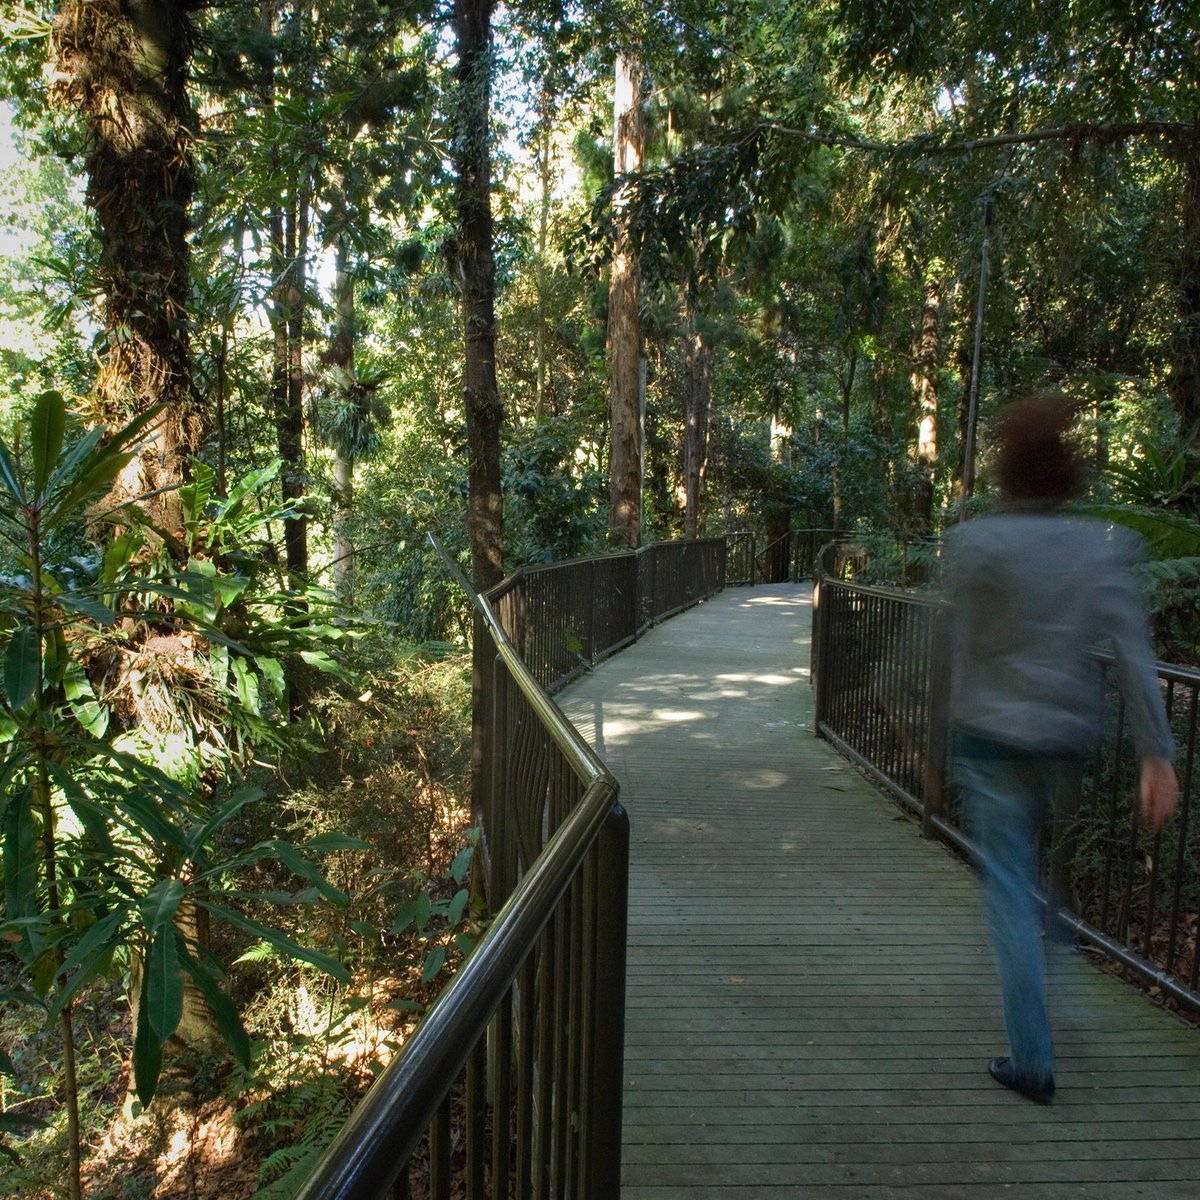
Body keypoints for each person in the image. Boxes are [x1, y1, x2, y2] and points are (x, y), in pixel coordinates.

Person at [943, 392, 1179, 1104]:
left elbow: (951, 643)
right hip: (1062, 740)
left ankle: (1033, 1057)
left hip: (987, 739)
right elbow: (1134, 656)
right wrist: (1156, 753)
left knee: (1011, 891)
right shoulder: (1102, 546)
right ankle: (1054, 999)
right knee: (1040, 882)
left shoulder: (979, 541)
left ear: (1006, 467)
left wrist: (928, 727)